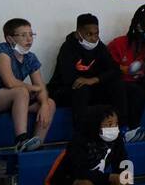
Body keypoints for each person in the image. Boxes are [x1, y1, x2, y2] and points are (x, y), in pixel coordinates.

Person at [48, 13, 140, 142]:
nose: (93, 38)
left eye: (96, 34)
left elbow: (114, 70)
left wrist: (94, 80)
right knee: (82, 89)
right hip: (67, 90)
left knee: (121, 85)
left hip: (92, 87)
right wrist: (88, 82)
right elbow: (69, 79)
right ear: (78, 33)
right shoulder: (68, 48)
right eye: (89, 34)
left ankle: (123, 128)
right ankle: (81, 135)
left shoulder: (100, 47)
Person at [0, 18, 55, 152]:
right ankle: (21, 140)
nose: (29, 39)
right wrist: (34, 88)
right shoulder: (3, 51)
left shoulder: (30, 57)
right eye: (23, 35)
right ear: (10, 39)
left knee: (50, 103)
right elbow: (10, 82)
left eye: (31, 34)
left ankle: (36, 145)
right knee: (21, 91)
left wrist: (44, 104)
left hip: (9, 98)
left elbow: (41, 86)